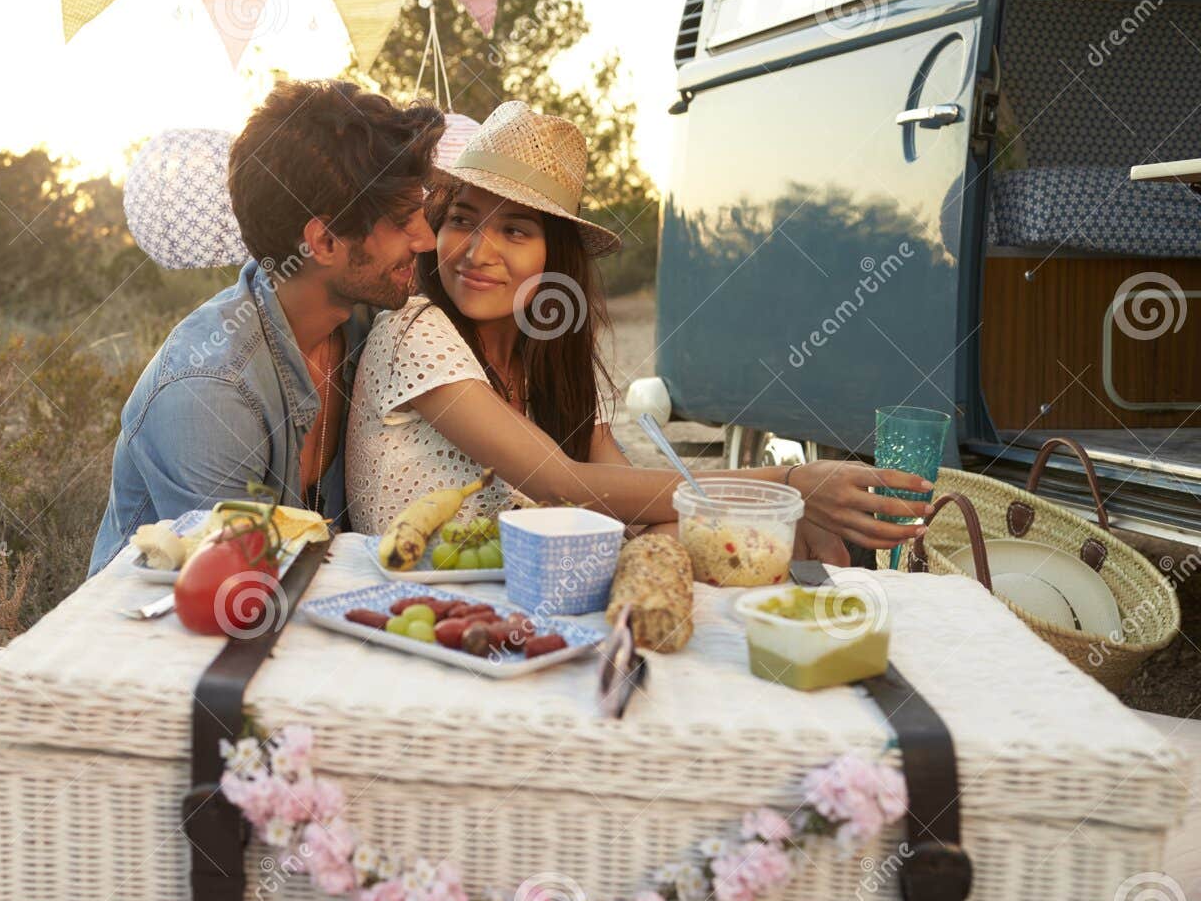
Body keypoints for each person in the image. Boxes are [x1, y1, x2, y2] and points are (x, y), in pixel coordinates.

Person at [345, 102, 931, 563]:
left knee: (704, 533)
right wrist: (792, 484)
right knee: (717, 529)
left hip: (526, 598)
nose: (478, 251)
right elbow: (564, 485)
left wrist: (770, 513)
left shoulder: (551, 362)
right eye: (462, 220)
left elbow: (628, 492)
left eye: (516, 231)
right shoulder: (412, 333)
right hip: (420, 607)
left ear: (555, 258)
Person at [87, 80, 444, 577]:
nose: (427, 239)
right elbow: (233, 589)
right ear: (322, 242)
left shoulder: (370, 326)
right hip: (165, 637)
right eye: (405, 221)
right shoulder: (209, 390)